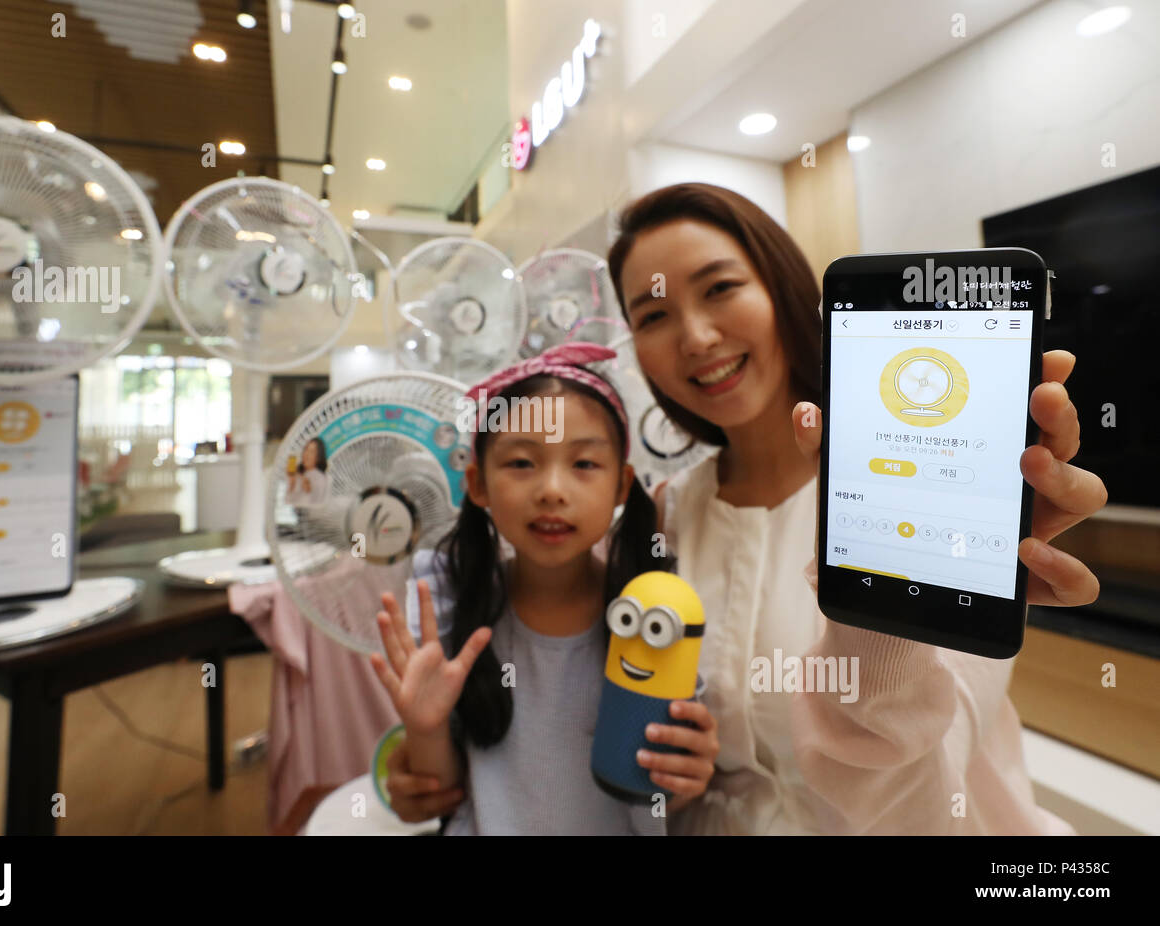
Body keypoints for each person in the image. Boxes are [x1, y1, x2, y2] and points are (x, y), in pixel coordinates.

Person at [387, 183, 1108, 835]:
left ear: (781, 286)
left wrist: (889, 619)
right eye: (656, 313)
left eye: (721, 288)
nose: (697, 336)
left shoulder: (906, 492)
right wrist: (419, 766)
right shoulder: (665, 517)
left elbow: (919, 794)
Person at [368, 342, 718, 835]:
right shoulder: (454, 612)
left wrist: (686, 781)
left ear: (621, 486)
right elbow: (439, 793)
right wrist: (426, 726)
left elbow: (661, 797)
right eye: (521, 463)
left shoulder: (653, 625)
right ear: (478, 484)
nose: (552, 490)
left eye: (584, 465)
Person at [287, 436, 328, 505]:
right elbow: (288, 502)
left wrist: (308, 490)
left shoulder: (320, 478)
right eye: (306, 449)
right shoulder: (298, 475)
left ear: (318, 457)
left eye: (312, 452)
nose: (307, 454)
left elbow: (317, 504)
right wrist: (292, 485)